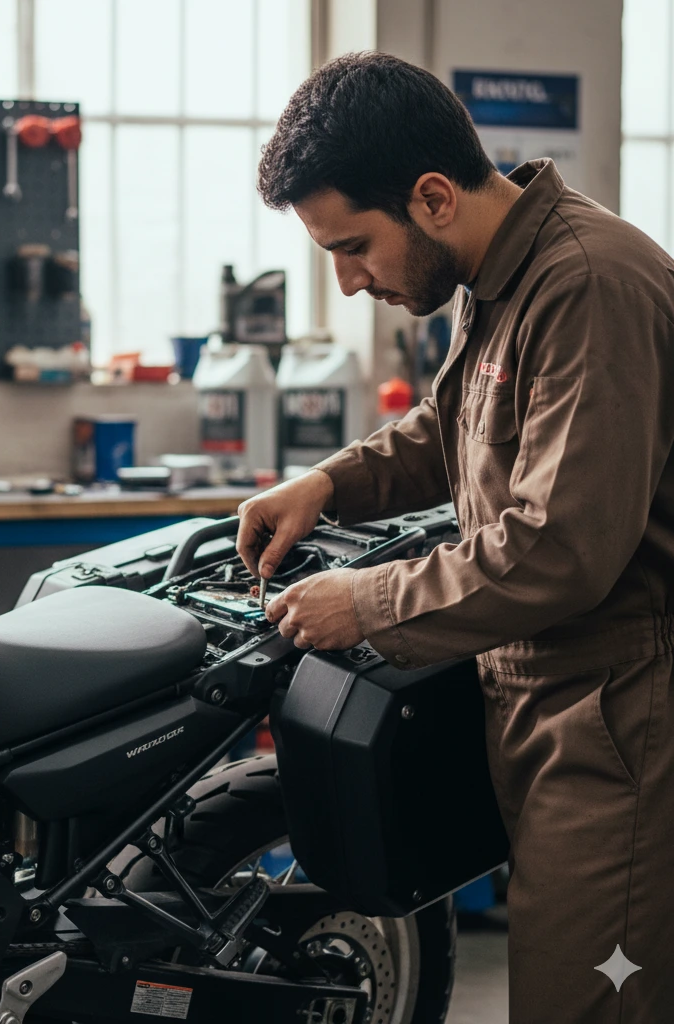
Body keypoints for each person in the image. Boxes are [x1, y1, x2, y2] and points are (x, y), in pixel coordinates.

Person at [238, 51, 674, 1024]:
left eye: (353, 247)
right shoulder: (498, 278)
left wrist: (370, 602)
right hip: (542, 703)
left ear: (431, 196)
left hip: (619, 721)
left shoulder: (588, 283)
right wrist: (327, 482)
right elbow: (448, 429)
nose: (349, 283)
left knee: (588, 1002)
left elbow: (561, 546)